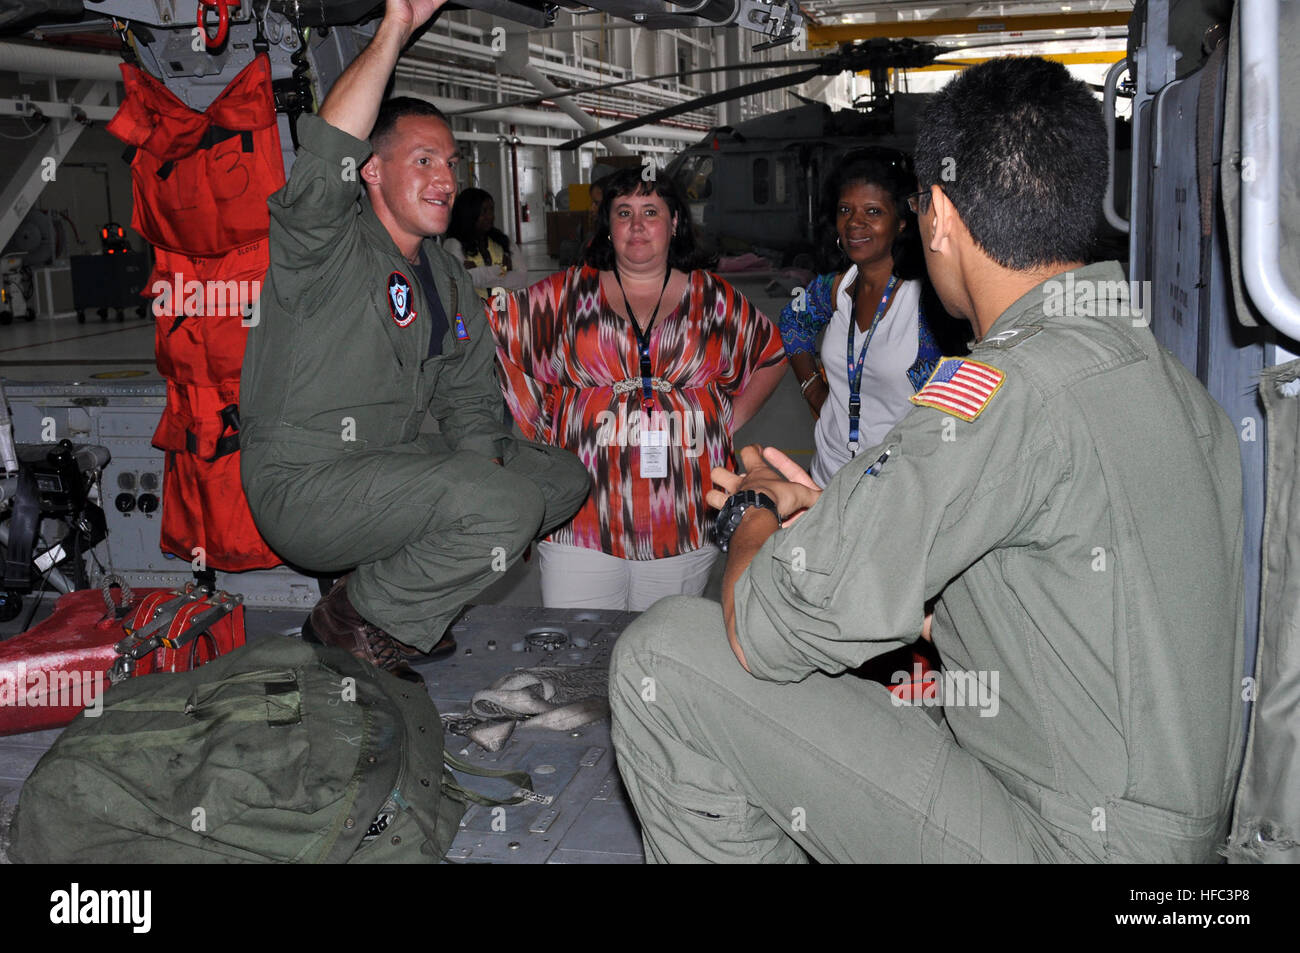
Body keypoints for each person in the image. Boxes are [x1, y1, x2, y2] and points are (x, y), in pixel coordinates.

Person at [608, 56, 1245, 863]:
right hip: (1156, 832)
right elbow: (1054, 599)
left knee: (664, 653)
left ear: (936, 217)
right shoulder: (1169, 385)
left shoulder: (995, 390)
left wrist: (752, 515)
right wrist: (841, 520)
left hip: (1065, 838)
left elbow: (767, 628)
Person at [239, 0, 590, 683]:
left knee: (554, 480)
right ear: (371, 171)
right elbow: (328, 147)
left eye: (451, 162)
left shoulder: (447, 272)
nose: (445, 178)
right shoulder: (326, 243)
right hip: (306, 482)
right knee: (505, 504)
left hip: (388, 468)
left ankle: (396, 601)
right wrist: (395, 26)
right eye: (423, 160)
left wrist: (485, 475)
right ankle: (353, 621)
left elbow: (470, 396)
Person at [489, 168, 786, 611]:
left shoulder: (714, 299)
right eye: (623, 212)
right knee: (578, 650)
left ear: (675, 223)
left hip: (685, 512)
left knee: (659, 648)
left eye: (651, 211)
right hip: (582, 515)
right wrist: (540, 431)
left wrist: (727, 421)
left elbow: (771, 354)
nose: (637, 224)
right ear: (608, 226)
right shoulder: (564, 294)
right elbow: (497, 332)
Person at [779, 148, 968, 485]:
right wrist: (813, 389)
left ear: (901, 221)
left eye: (873, 211)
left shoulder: (925, 304)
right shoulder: (838, 288)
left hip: (895, 493)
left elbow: (955, 411)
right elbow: (792, 322)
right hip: (826, 481)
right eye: (845, 210)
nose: (855, 222)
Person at [442, 187, 528, 298]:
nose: (490, 216)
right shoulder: (453, 244)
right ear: (468, 214)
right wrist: (502, 270)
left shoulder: (503, 241)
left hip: (505, 311)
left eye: (492, 210)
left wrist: (478, 273)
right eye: (484, 212)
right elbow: (462, 280)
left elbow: (521, 278)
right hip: (474, 313)